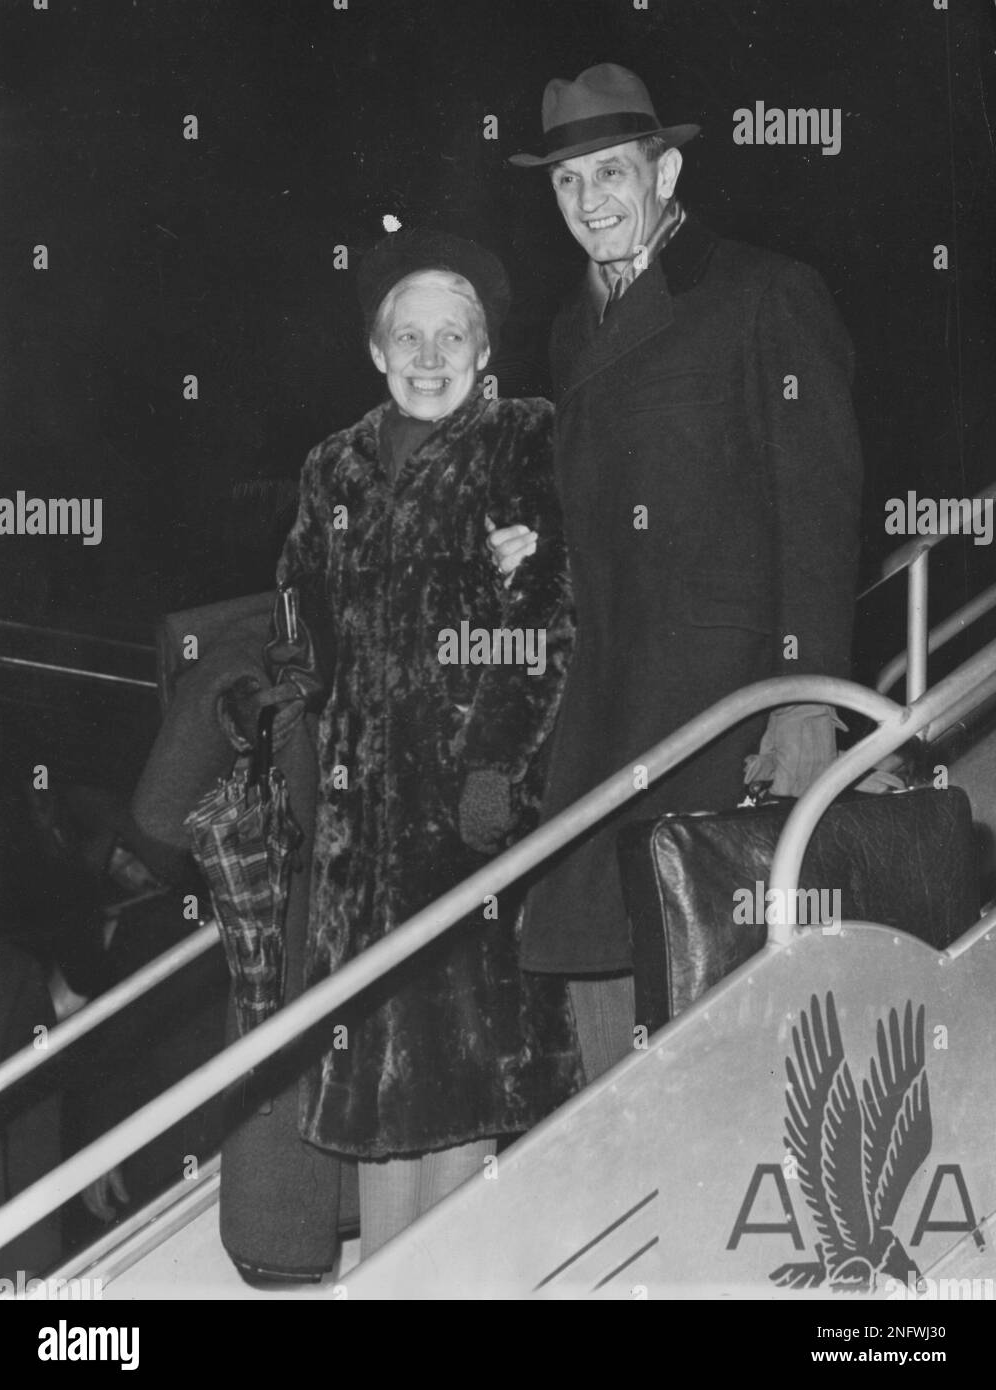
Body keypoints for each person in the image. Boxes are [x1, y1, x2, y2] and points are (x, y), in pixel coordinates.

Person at [491, 63, 863, 1082]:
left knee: (721, 1000)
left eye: (611, 172)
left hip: (723, 706)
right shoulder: (573, 329)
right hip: (608, 709)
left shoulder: (762, 292)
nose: (589, 202)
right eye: (566, 184)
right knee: (598, 969)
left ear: (667, 168)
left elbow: (820, 510)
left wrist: (804, 701)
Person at [276, 229, 582, 1257]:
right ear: (376, 348)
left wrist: (497, 764)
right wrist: (278, 713)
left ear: (485, 349)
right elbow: (303, 624)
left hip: (467, 821)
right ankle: (386, 1280)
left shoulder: (519, 438)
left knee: (461, 1075)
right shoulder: (334, 468)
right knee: (374, 1082)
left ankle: (442, 1279)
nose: (430, 353)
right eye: (409, 334)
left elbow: (547, 619)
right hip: (361, 830)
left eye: (453, 334)